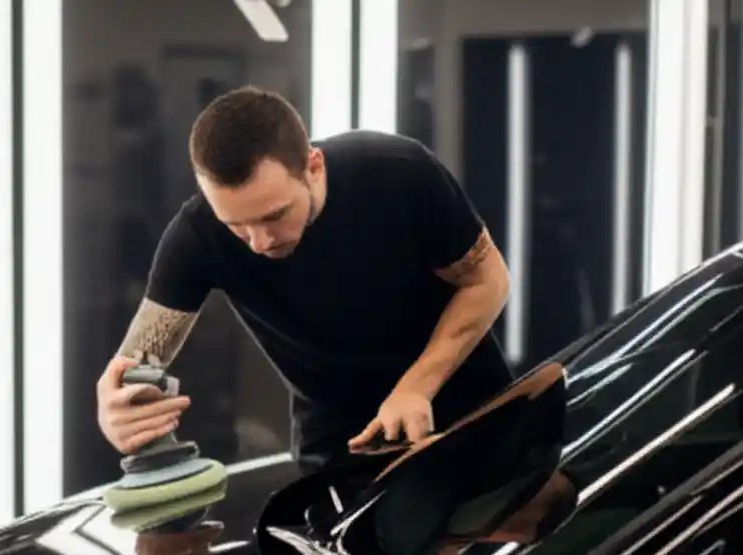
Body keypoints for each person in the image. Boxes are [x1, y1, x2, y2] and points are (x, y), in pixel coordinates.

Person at [96, 85, 514, 473]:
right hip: (338, 448)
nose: (258, 242)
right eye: (236, 225)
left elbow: (488, 280)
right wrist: (114, 408)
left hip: (474, 417)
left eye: (274, 215)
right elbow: (134, 366)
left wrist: (416, 388)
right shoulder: (196, 236)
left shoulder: (397, 171)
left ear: (313, 166)